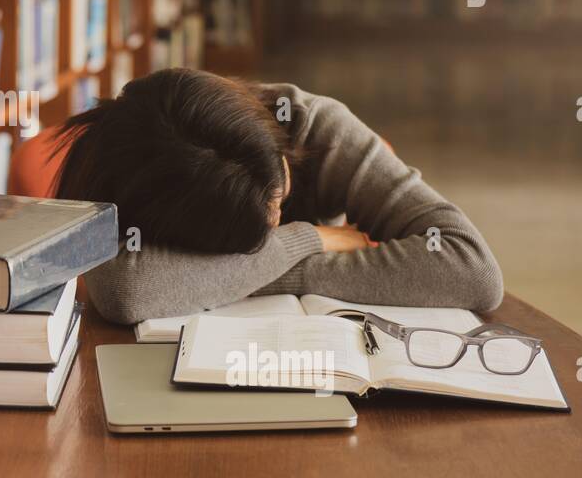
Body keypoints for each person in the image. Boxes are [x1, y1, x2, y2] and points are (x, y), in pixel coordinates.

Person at [52, 68, 504, 324]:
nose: (276, 220)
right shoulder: (134, 168)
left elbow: (473, 270)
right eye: (260, 230)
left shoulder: (318, 127)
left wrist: (214, 278)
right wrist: (304, 242)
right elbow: (127, 291)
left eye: (280, 199)